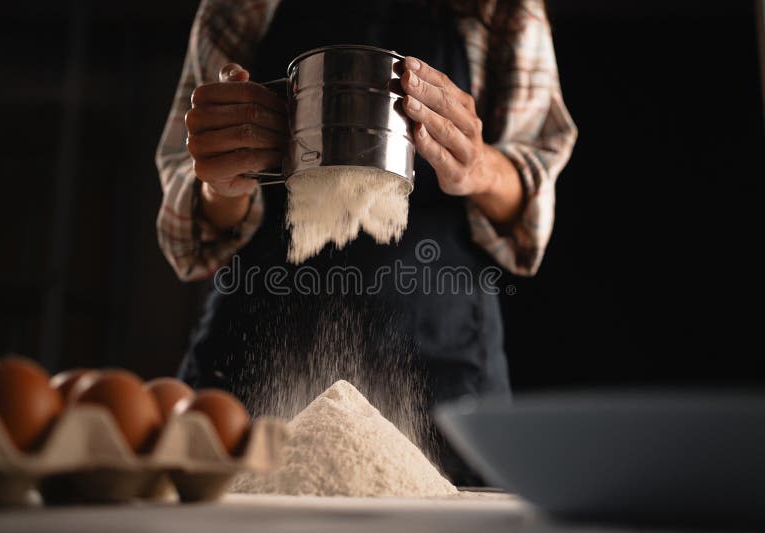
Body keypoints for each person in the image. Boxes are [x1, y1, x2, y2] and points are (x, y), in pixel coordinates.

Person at [156, 0, 576, 484]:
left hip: (444, 376)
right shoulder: (242, 6)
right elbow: (188, 237)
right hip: (253, 371)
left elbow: (530, 218)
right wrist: (221, 180)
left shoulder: (504, 9)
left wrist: (480, 166)